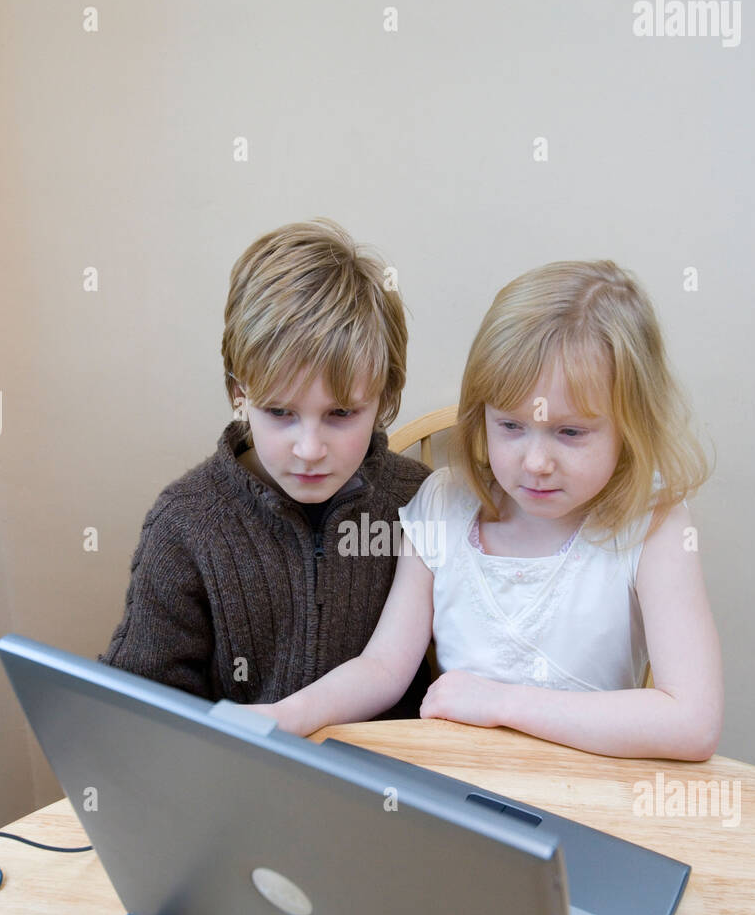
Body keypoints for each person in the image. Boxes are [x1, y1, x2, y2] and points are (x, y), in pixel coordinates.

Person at [243, 259, 723, 761]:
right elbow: (383, 668)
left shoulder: (653, 523)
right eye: (511, 426)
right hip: (466, 790)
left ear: (631, 425)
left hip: (588, 799)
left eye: (571, 432)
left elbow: (692, 722)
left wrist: (502, 704)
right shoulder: (444, 505)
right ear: (481, 416)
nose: (536, 463)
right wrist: (285, 715)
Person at [98, 218, 432, 716]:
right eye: (280, 413)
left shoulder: (419, 503)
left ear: (383, 396)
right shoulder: (186, 525)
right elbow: (138, 711)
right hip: (241, 782)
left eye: (341, 414)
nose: (310, 449)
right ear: (239, 394)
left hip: (386, 782)